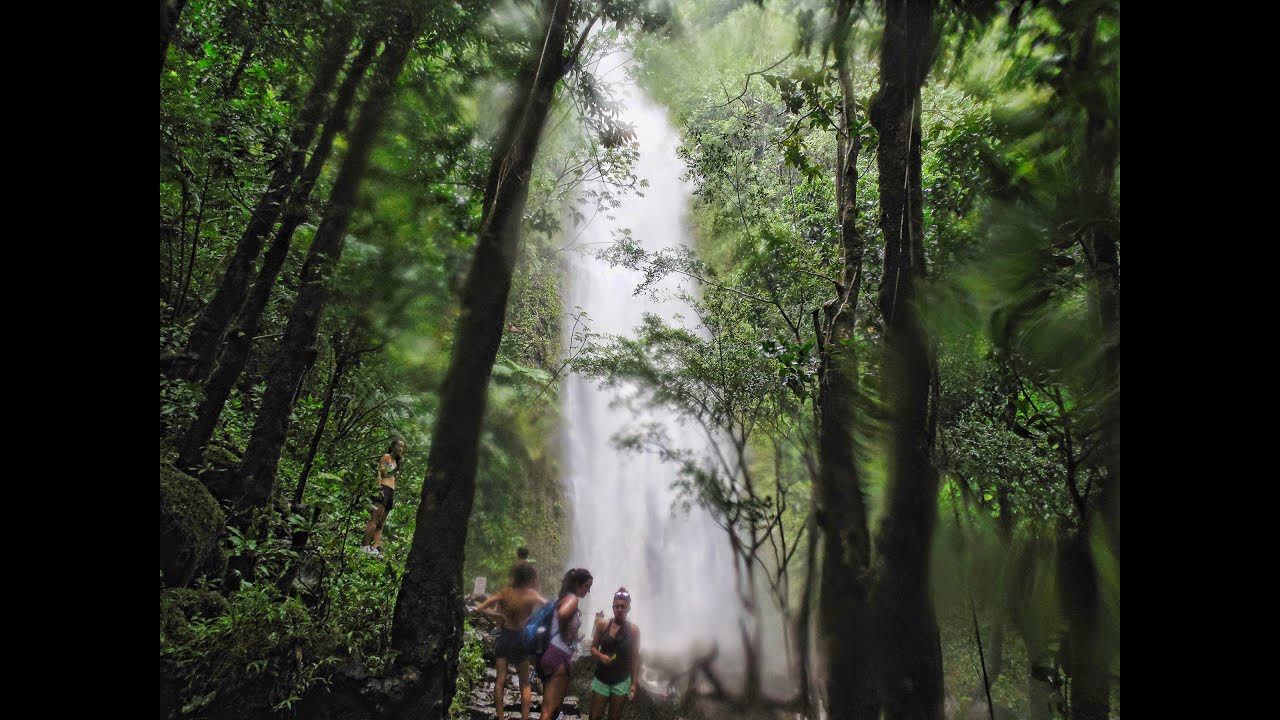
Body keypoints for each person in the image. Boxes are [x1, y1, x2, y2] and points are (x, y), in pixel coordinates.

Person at [475, 562, 546, 720]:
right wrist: (533, 621)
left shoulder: (506, 592)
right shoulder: (530, 594)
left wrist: (499, 616)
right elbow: (549, 606)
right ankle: (525, 718)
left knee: (500, 680)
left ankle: (500, 716)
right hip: (519, 639)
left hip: (504, 638)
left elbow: (480, 608)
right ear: (529, 577)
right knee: (525, 683)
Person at [539, 568, 593, 720]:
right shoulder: (572, 599)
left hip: (550, 652)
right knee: (550, 710)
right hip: (559, 655)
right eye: (586, 586)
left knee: (547, 709)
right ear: (577, 583)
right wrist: (566, 636)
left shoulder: (561, 597)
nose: (588, 591)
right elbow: (563, 614)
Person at [588, 587, 641, 719]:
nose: (620, 609)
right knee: (594, 716)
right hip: (601, 678)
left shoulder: (634, 631)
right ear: (612, 607)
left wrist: (634, 683)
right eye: (617, 606)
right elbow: (593, 647)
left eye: (623, 606)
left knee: (615, 717)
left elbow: (636, 657)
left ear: (628, 608)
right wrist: (600, 656)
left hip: (622, 680)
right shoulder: (602, 625)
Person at [360, 438, 404, 557]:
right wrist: (378, 488)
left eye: (402, 447)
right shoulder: (386, 457)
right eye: (399, 446)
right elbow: (379, 472)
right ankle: (364, 547)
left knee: (381, 523)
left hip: (391, 491)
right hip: (383, 488)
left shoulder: (396, 462)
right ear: (393, 446)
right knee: (374, 519)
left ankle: (373, 548)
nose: (401, 449)